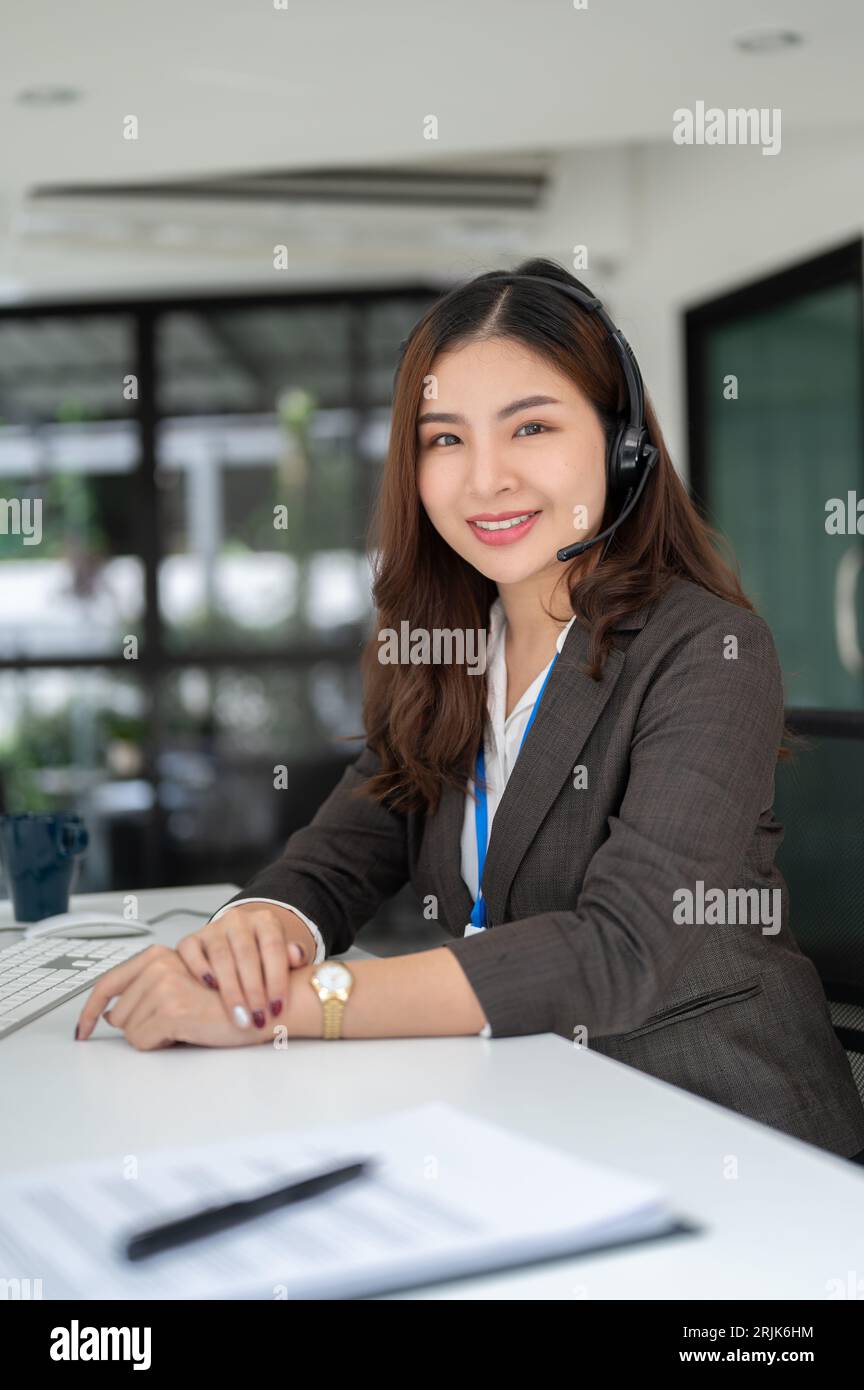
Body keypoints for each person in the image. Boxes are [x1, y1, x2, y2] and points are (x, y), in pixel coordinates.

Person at [75, 258, 864, 1162]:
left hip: (727, 1141)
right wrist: (253, 937)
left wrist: (287, 1009)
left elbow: (624, 950)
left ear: (622, 444)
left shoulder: (707, 651)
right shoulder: (443, 653)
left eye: (530, 426)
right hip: (515, 1116)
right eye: (444, 439)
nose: (485, 480)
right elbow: (336, 862)